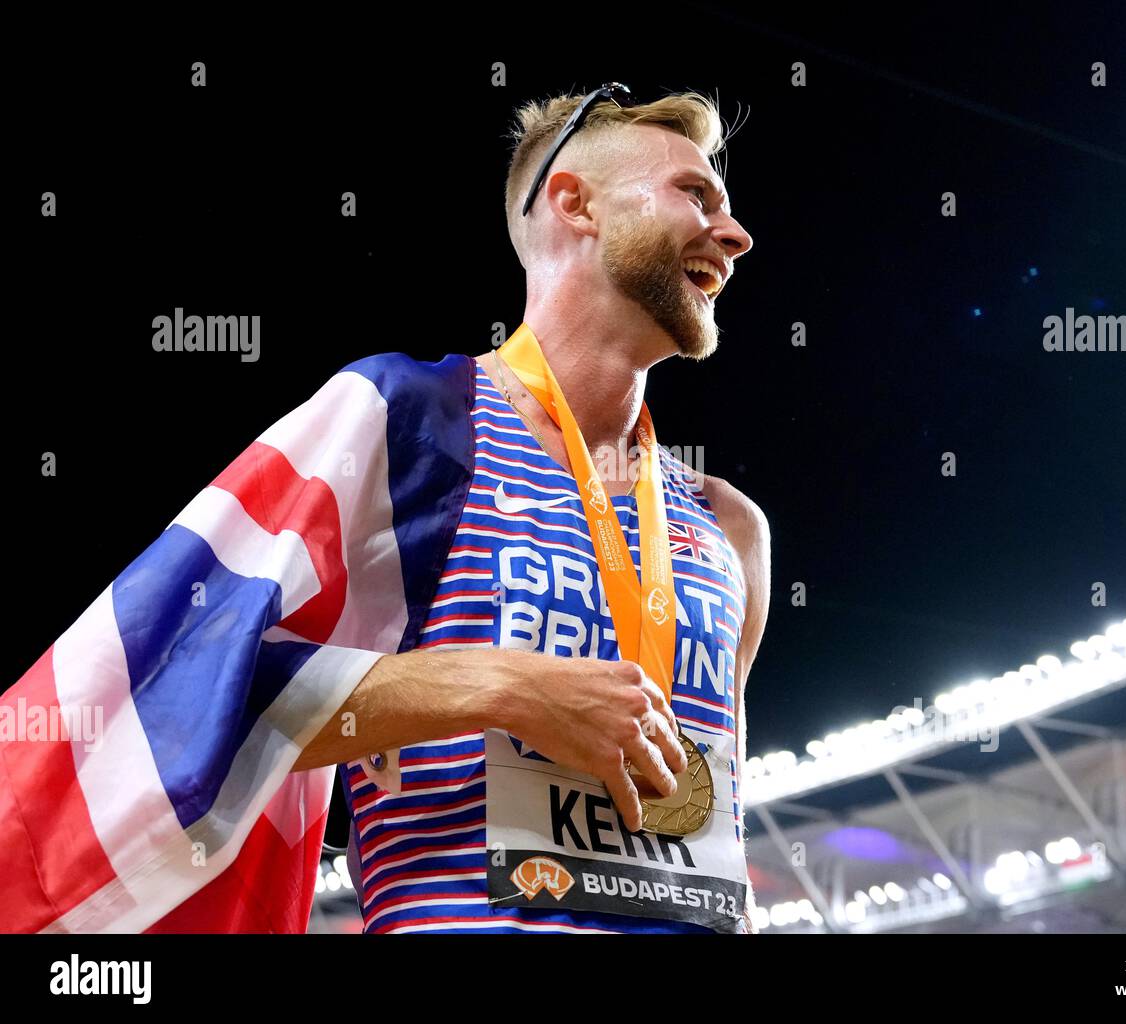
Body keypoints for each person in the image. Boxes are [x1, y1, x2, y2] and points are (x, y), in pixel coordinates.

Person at [0, 85, 770, 935]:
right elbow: (172, 688)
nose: (734, 236)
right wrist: (505, 685)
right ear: (574, 203)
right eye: (694, 196)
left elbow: (714, 823)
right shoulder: (410, 420)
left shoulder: (729, 528)